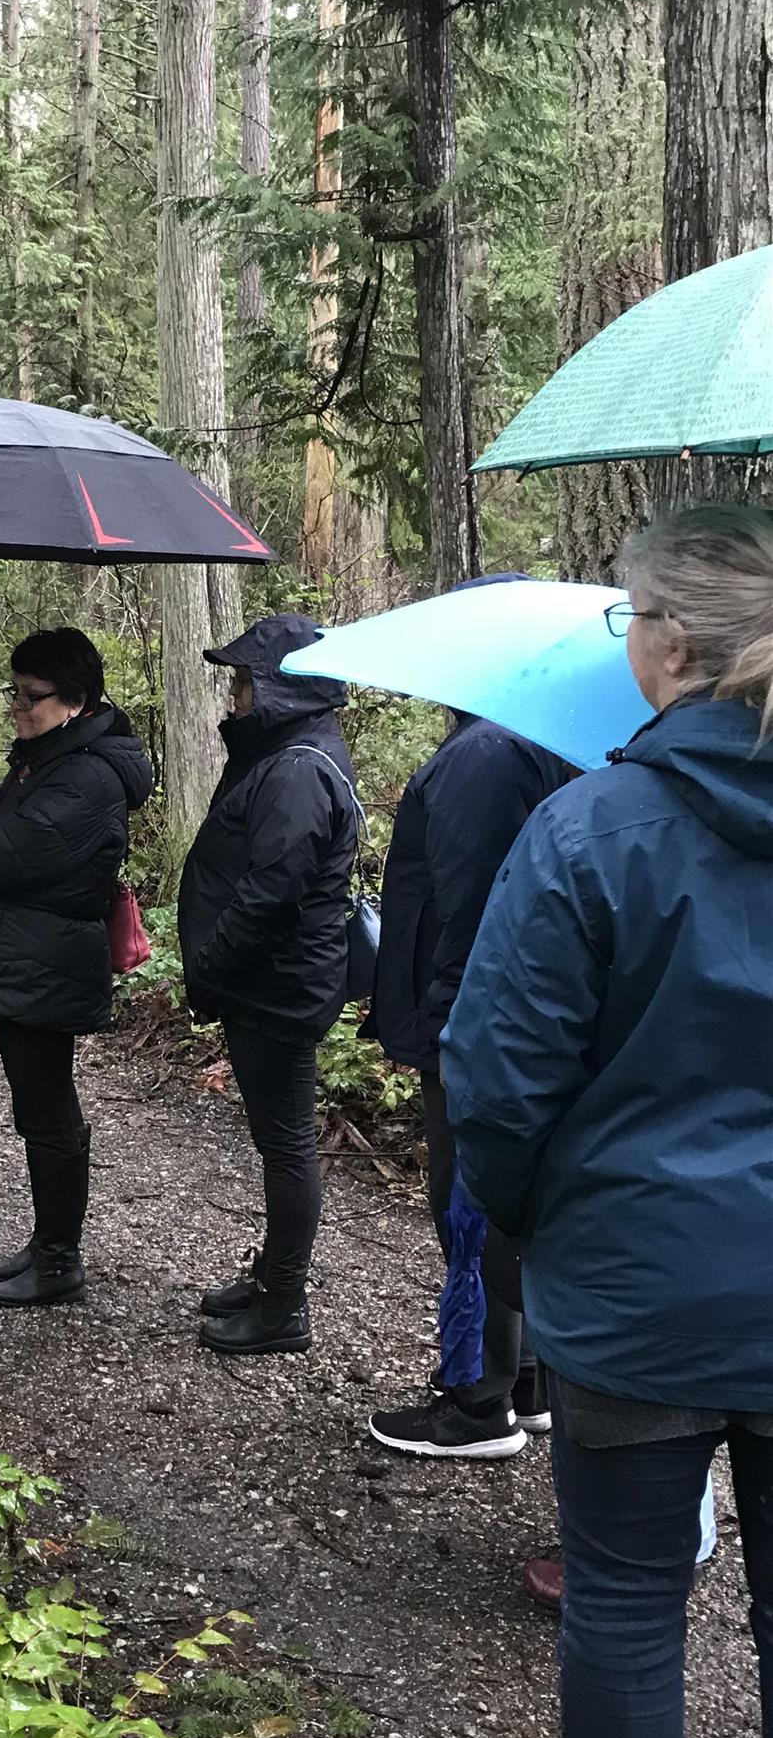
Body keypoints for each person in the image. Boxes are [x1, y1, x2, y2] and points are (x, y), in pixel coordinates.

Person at [443, 506, 773, 1738]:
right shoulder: (592, 823)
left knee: (628, 1608)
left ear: (671, 643)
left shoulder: (587, 829)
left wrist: (541, 1222)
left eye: (630, 615)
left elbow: (495, 1080)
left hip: (635, 1286)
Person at [363, 585, 577, 1459]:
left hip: (477, 1026)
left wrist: (454, 1029)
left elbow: (473, 909)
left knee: (467, 1207)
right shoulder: (528, 741)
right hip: (509, 1020)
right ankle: (524, 1381)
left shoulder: (484, 753)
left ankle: (475, 1402)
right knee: (498, 1204)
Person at [0, 627, 153, 1308]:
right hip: (28, 952)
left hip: (47, 959)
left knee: (49, 1110)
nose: (16, 708)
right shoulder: (52, 757)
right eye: (14, 692)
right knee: (38, 1106)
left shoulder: (86, 777)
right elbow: (11, 834)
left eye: (31, 696)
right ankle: (49, 1243)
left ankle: (59, 1259)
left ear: (76, 701)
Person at [177, 615, 360, 1356]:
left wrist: (211, 961)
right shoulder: (289, 754)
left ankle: (283, 1303)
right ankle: (272, 1282)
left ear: (283, 688)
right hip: (273, 980)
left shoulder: (297, 770)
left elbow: (271, 891)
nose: (236, 696)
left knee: (286, 1146)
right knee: (277, 1141)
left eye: (246, 682)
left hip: (277, 985)